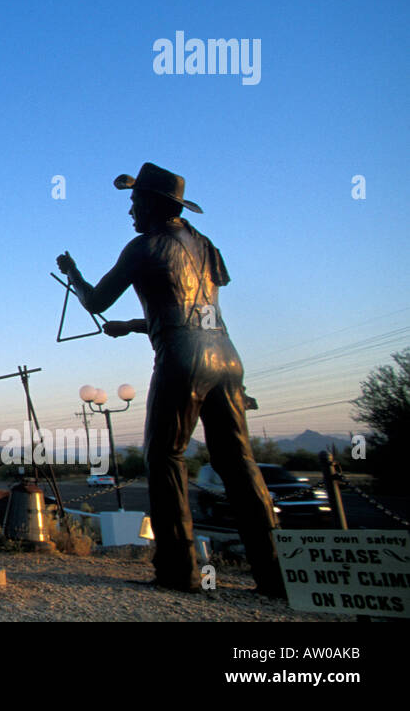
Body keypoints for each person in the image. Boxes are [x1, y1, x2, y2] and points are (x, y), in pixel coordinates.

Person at [56, 163, 284, 596]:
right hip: (227, 356)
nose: (130, 211)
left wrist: (73, 274)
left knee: (164, 458)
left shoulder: (144, 247)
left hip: (183, 359)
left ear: (153, 204)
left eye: (134, 201)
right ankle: (274, 574)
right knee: (239, 462)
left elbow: (96, 300)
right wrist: (133, 325)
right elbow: (196, 312)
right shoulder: (204, 245)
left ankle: (179, 571)